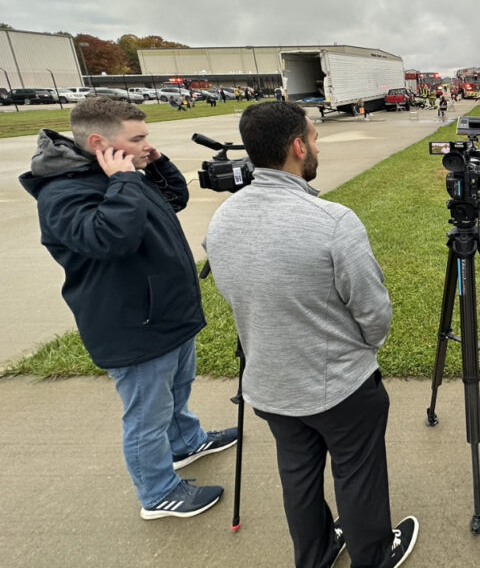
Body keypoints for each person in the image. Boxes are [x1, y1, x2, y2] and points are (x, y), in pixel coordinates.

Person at [204, 101, 418, 568]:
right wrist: (364, 349)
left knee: (297, 476)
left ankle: (316, 555)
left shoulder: (221, 219)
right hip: (341, 387)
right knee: (357, 476)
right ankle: (374, 556)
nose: (317, 146)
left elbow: (233, 291)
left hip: (269, 384)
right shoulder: (333, 221)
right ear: (298, 147)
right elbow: (374, 312)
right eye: (315, 138)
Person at [18, 97, 237, 520]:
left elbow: (174, 199)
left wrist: (153, 164)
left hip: (166, 312)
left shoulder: (120, 174)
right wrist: (124, 180)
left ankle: (186, 443)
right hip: (132, 323)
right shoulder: (63, 192)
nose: (145, 144)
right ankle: (157, 493)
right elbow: (110, 239)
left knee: (176, 390)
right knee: (146, 415)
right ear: (99, 141)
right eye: (137, 138)